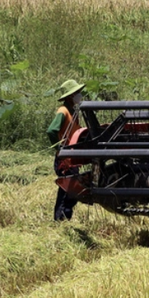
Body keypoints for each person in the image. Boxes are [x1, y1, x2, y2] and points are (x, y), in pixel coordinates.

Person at [47, 79, 85, 222]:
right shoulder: (63, 111)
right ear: (70, 96)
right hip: (65, 160)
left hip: (72, 158)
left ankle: (64, 219)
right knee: (66, 191)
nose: (80, 95)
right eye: (77, 93)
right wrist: (59, 148)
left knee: (71, 192)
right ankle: (60, 221)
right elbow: (51, 131)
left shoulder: (74, 112)